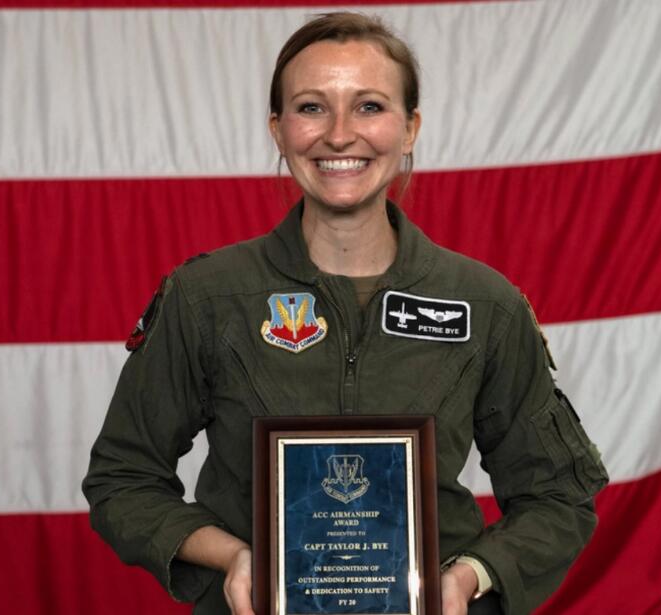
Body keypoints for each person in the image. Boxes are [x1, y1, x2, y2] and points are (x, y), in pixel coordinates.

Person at [83, 12, 608, 615]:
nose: (338, 135)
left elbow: (560, 496)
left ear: (409, 128)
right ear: (277, 130)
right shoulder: (208, 298)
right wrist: (231, 559)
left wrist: (471, 577)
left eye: (368, 107)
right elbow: (122, 479)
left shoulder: (484, 304)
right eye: (310, 107)